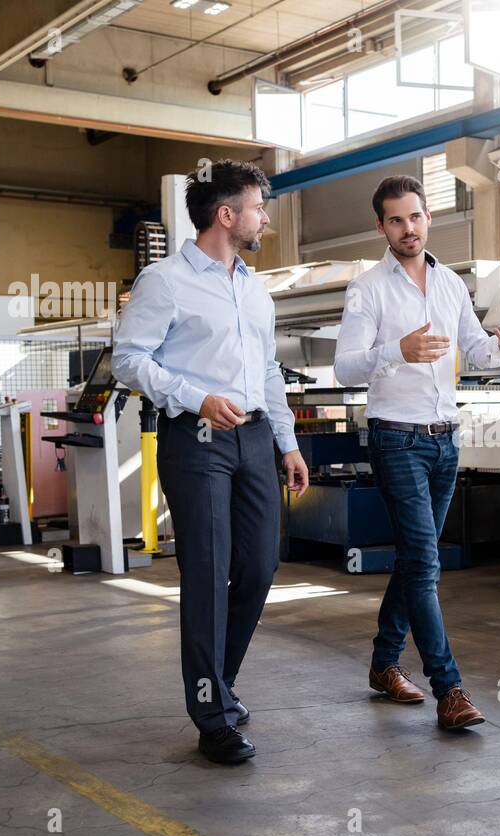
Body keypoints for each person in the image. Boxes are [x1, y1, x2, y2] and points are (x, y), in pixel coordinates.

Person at [113, 159, 309, 764]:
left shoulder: (254, 287)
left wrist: (287, 442)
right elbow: (129, 360)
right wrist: (198, 397)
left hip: (253, 439)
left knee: (259, 566)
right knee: (206, 571)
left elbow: (269, 371)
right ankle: (212, 712)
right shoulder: (164, 280)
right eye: (257, 208)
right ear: (227, 215)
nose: (264, 218)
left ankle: (218, 682)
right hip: (195, 439)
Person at [334, 175, 500, 731]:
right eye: (395, 220)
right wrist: (397, 351)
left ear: (427, 218)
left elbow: (478, 353)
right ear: (381, 227)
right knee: (424, 562)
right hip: (396, 437)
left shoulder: (450, 285)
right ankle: (450, 689)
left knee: (418, 562)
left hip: (445, 439)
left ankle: (382, 665)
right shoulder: (368, 288)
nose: (407, 228)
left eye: (414, 217)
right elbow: (345, 366)